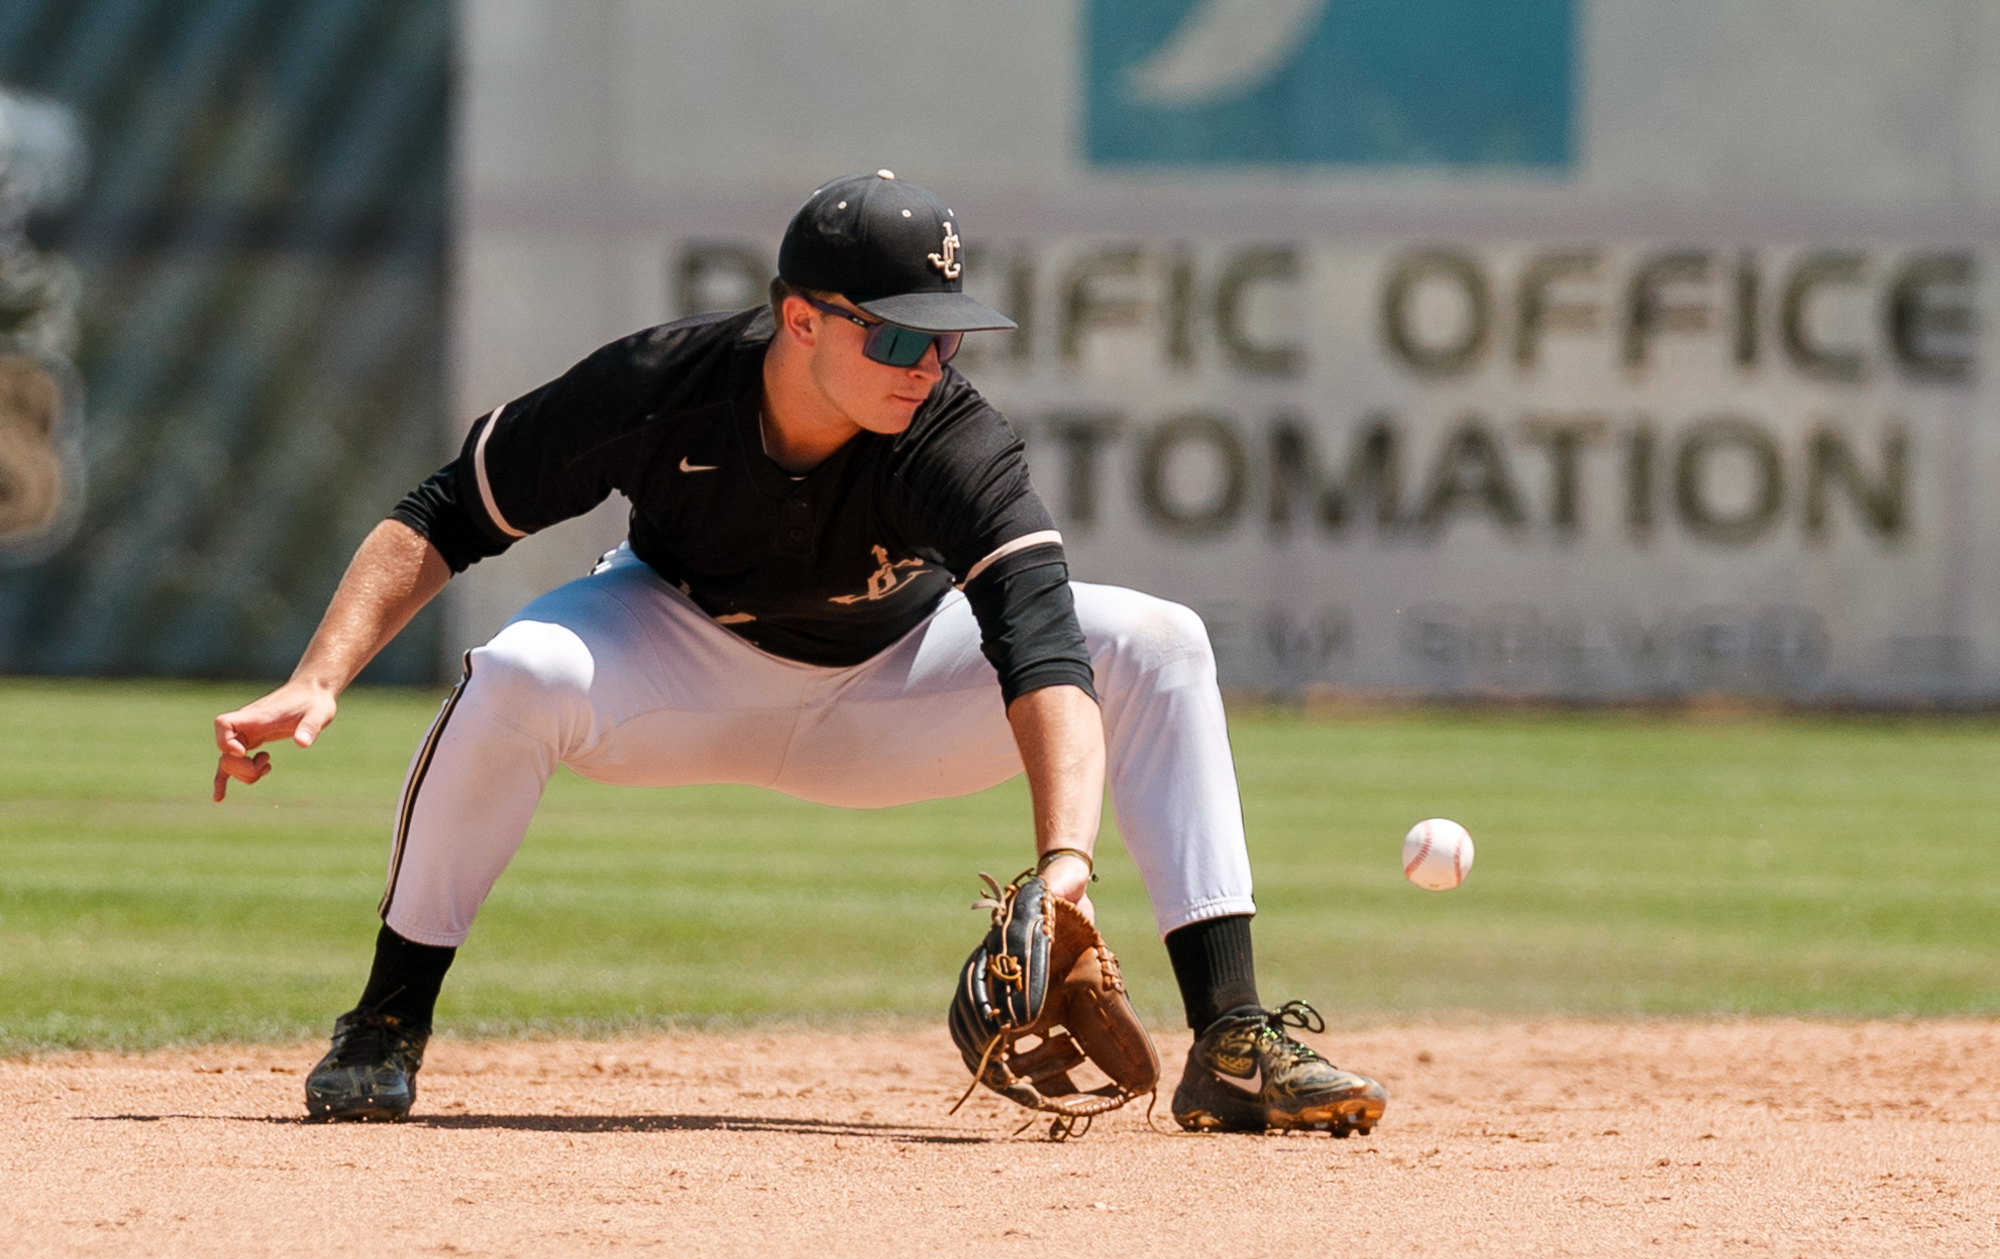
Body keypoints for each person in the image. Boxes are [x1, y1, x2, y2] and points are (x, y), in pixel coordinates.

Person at [211, 171, 1387, 1136]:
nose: (923, 364)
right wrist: (319, 679)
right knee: (517, 670)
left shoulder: (950, 436)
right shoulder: (662, 385)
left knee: (1161, 641)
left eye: (942, 338)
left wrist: (1063, 861)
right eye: (892, 336)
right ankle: (383, 1025)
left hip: (896, 682)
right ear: (800, 316)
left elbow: (1040, 641)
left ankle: (1230, 1042)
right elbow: (446, 510)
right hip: (675, 653)